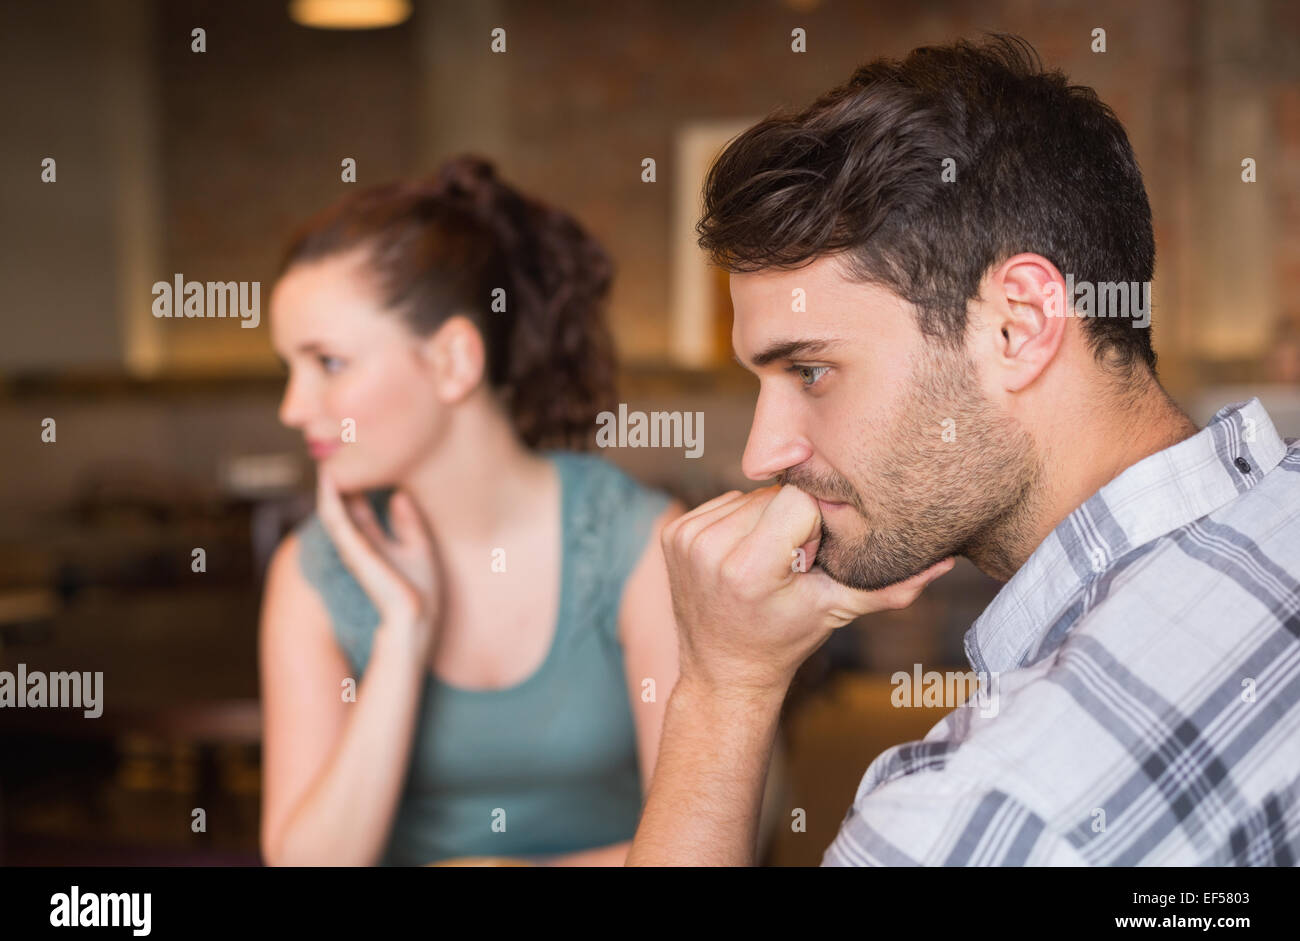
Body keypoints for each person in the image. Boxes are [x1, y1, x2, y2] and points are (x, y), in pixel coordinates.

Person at [627, 34, 1300, 866]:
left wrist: (722, 691)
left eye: (811, 369)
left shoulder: (966, 821)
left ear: (1018, 325)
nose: (764, 454)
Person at [258, 155, 684, 866]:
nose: (293, 408)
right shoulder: (309, 573)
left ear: (454, 360)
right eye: (288, 370)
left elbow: (720, 840)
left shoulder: (638, 543)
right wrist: (401, 638)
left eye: (328, 363)